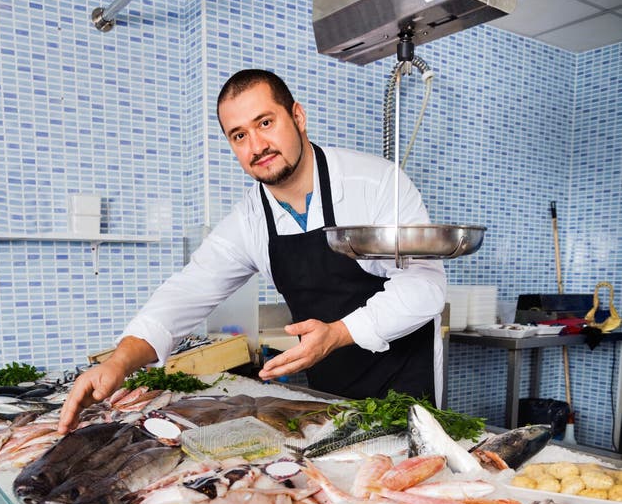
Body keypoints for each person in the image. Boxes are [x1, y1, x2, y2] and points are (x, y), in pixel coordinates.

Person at [59, 69, 446, 434]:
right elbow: (186, 292)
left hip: (406, 382)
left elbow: (424, 287)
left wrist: (340, 333)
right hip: (330, 390)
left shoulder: (376, 183)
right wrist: (119, 361)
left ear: (297, 116)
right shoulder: (249, 220)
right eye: (239, 135)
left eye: (265, 123)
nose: (257, 146)